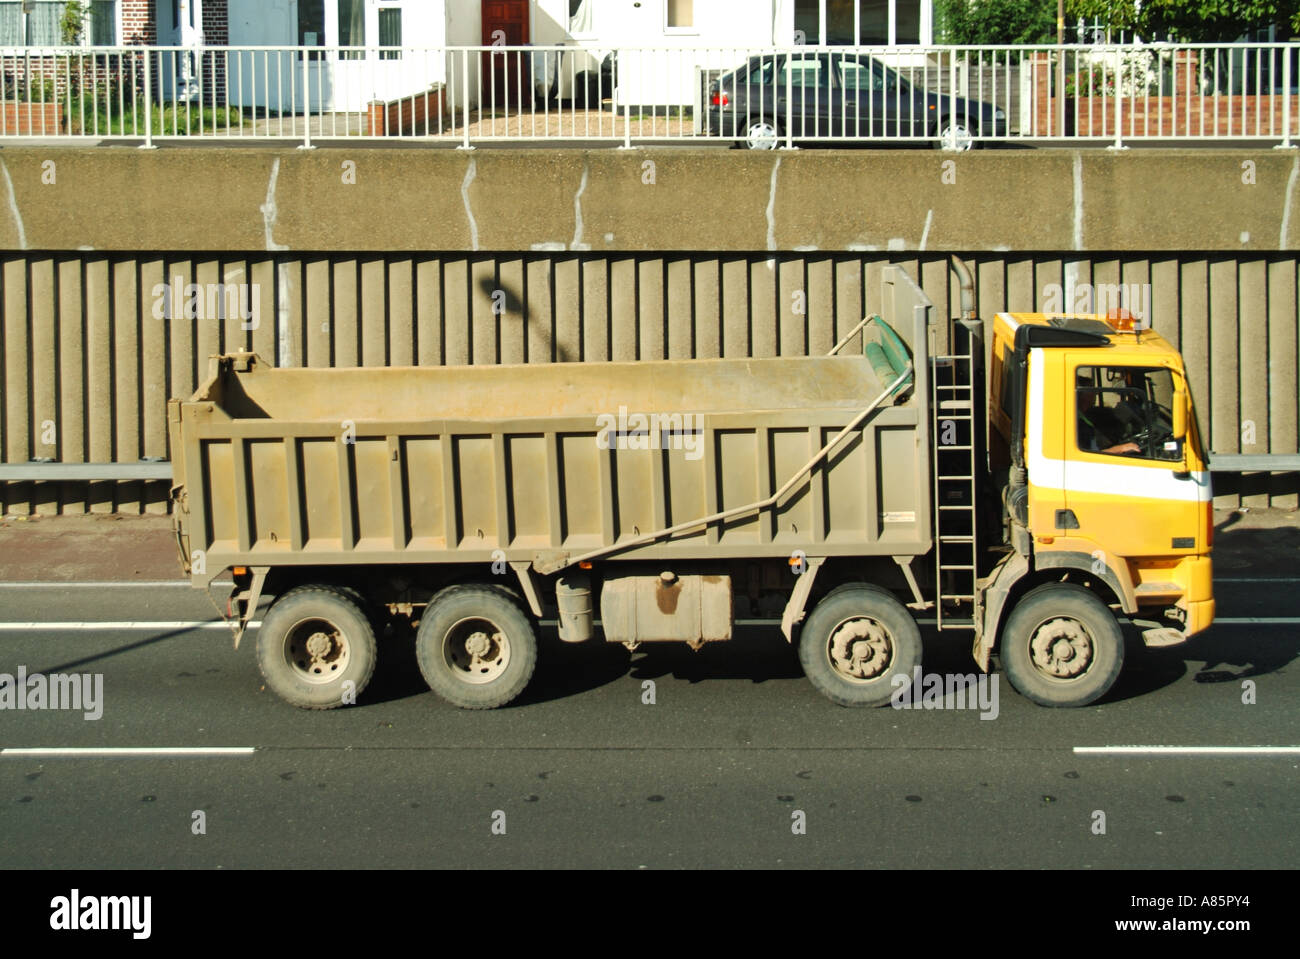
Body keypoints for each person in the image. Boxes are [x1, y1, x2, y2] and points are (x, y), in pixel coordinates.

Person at [1077, 371, 1142, 455]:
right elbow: (1087, 457)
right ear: (1083, 394)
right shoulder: (1076, 422)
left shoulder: (1085, 415)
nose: (1096, 393)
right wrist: (1121, 448)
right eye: (1092, 390)